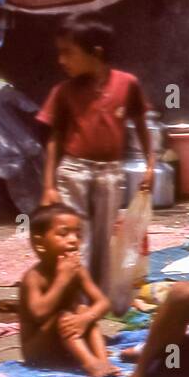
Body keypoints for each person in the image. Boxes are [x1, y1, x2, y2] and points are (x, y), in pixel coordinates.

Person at [37, 15, 154, 295]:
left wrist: (150, 165)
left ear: (96, 53)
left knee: (102, 240)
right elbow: (54, 138)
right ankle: (73, 297)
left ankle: (97, 298)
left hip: (110, 174)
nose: (61, 61)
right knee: (76, 237)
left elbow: (141, 125)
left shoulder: (127, 85)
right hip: (73, 172)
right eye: (60, 53)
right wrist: (49, 186)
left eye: (69, 53)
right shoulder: (63, 92)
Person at [19, 204, 119, 377]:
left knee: (84, 310)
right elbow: (39, 313)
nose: (74, 240)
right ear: (40, 243)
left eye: (78, 234)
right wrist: (62, 279)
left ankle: (103, 361)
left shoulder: (77, 270)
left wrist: (84, 319)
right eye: (63, 234)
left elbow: (103, 303)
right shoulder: (33, 277)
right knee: (64, 316)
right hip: (38, 352)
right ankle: (90, 363)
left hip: (67, 346)